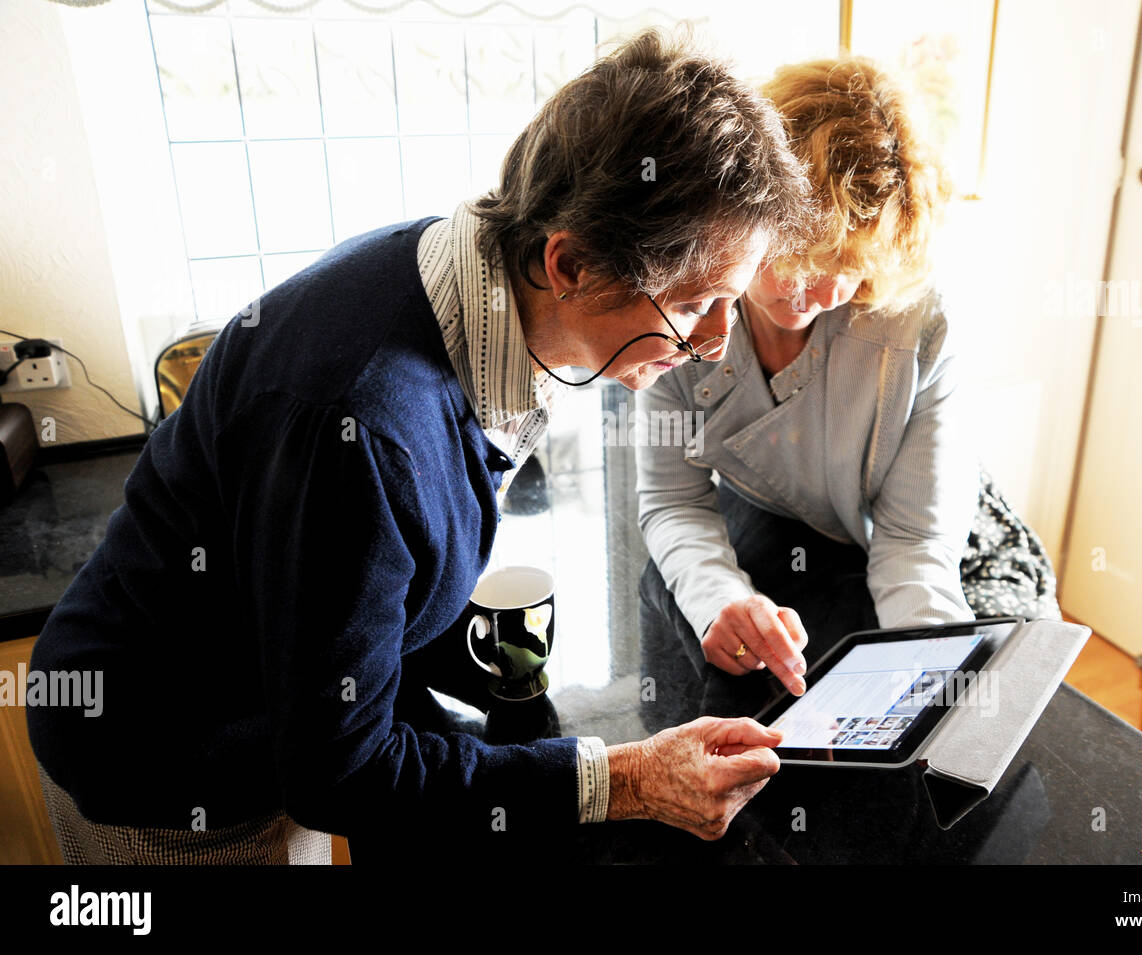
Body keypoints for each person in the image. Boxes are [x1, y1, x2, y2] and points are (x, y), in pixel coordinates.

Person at [26, 27, 817, 864]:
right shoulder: (362, 424)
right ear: (571, 264)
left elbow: (364, 585)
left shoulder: (472, 283)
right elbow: (338, 772)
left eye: (730, 303)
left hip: (275, 715)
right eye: (694, 305)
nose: (717, 343)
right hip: (167, 766)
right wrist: (624, 778)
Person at [636, 55, 979, 712]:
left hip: (900, 524)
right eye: (803, 255)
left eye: (850, 267)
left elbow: (914, 543)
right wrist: (721, 601)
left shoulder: (920, 327)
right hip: (767, 512)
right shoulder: (682, 297)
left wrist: (930, 672)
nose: (819, 291)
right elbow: (672, 499)